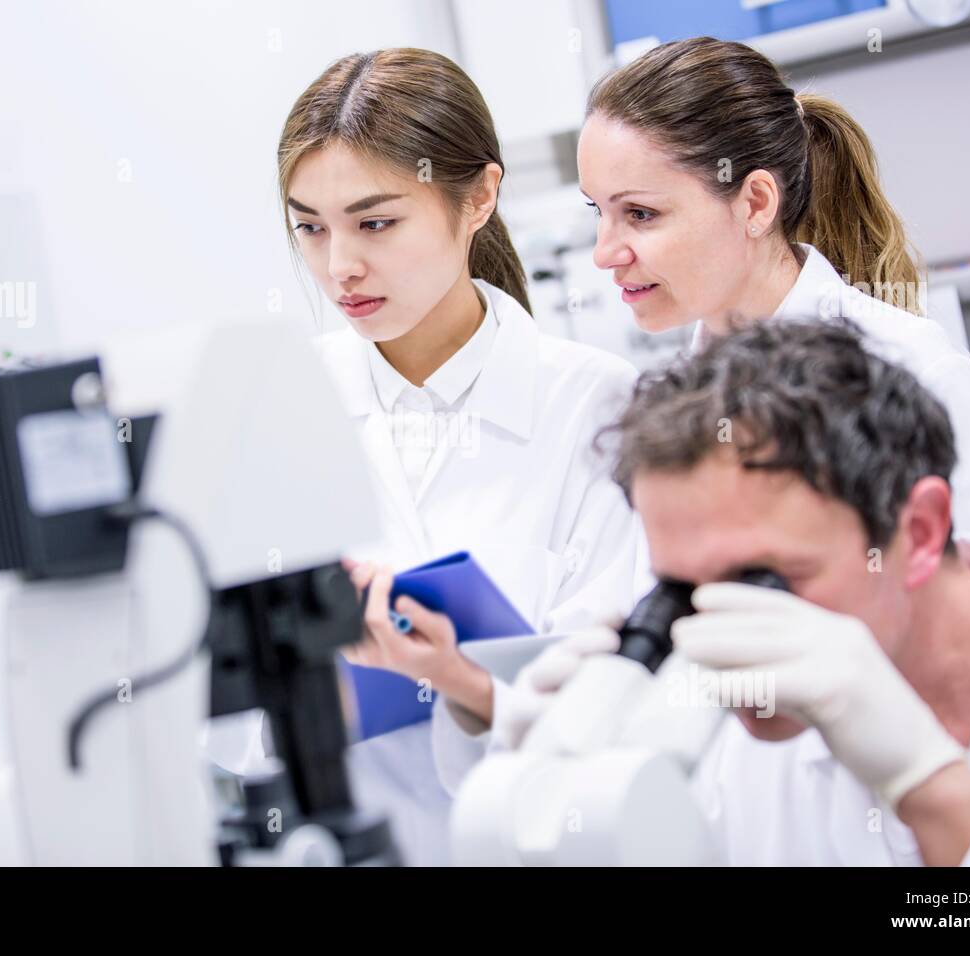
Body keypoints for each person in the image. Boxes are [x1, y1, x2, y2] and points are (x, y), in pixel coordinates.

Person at [264, 48, 646, 865]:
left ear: (477, 196)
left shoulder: (598, 406)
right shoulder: (288, 406)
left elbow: (618, 707)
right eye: (309, 227)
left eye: (375, 222)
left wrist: (465, 686)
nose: (340, 267)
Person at [510, 319, 970, 865]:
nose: (720, 634)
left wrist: (929, 787)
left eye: (764, 582)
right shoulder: (731, 739)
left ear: (921, 532)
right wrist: (546, 792)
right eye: (681, 593)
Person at [576, 35, 970, 590]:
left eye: (641, 213)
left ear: (756, 203)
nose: (604, 252)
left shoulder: (917, 372)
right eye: (597, 210)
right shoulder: (669, 410)